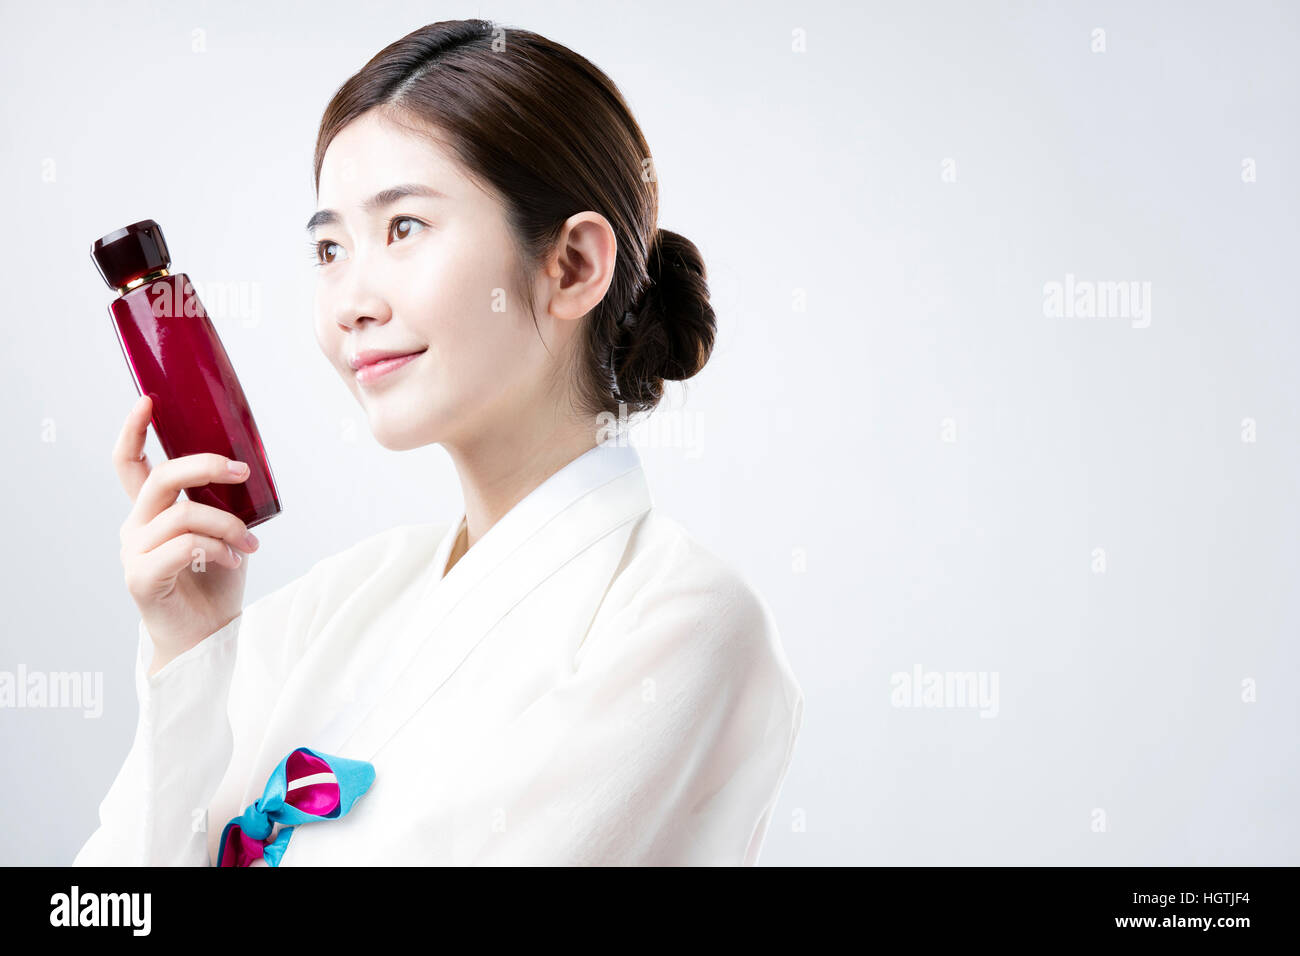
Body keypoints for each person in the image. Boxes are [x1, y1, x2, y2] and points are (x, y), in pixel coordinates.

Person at [73, 18, 803, 866]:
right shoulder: (339, 599)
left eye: (404, 229)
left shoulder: (682, 624)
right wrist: (189, 652)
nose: (351, 300)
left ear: (571, 266)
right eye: (329, 248)